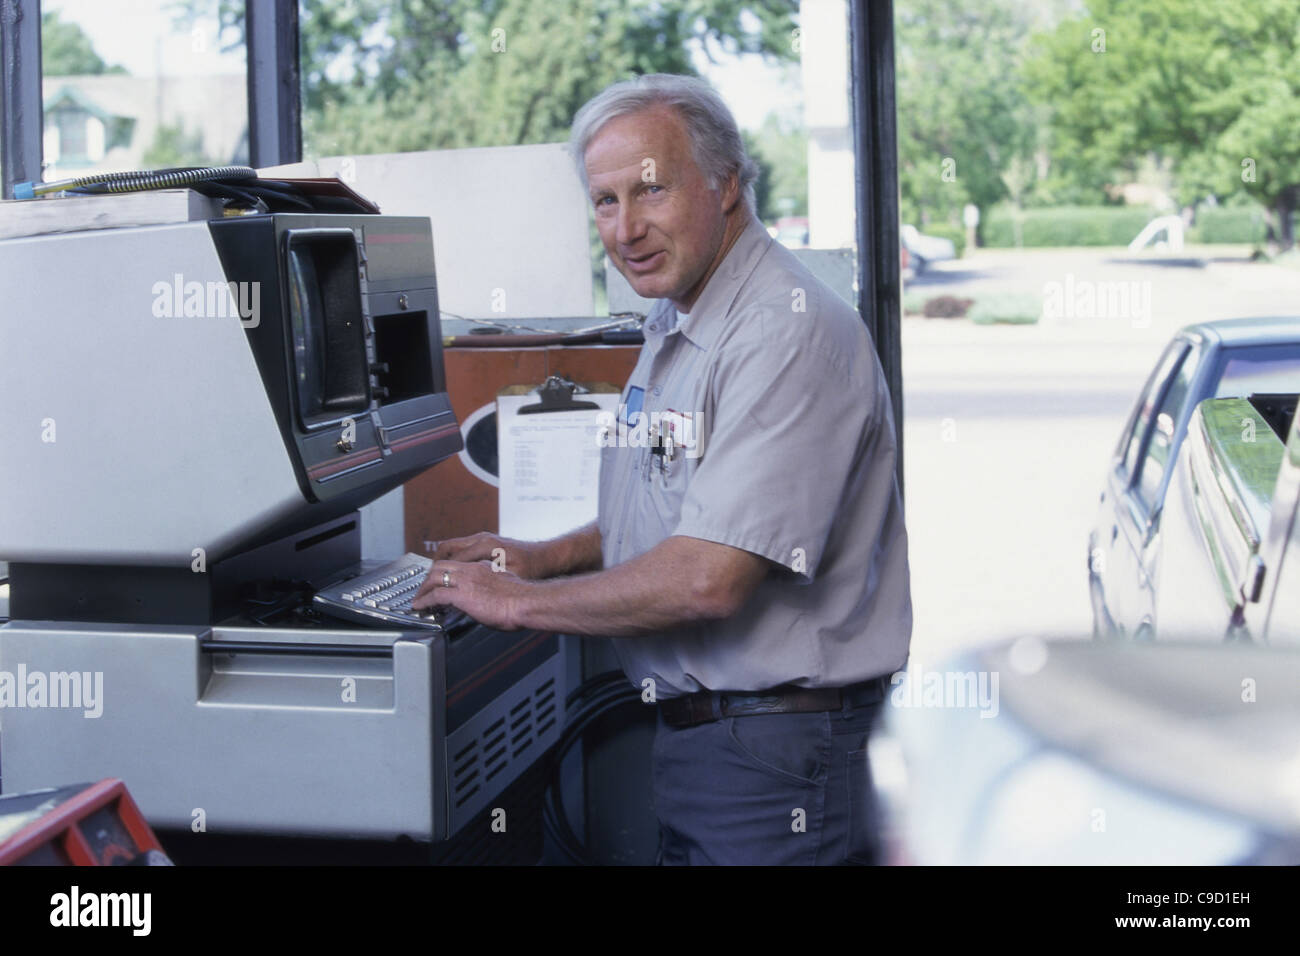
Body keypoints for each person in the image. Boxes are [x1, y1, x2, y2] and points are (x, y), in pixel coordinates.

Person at [413, 73, 912, 865]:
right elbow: (664, 511)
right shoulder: (683, 316)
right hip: (722, 744)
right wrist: (538, 560)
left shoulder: (781, 334)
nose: (625, 229)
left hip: (776, 753)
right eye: (605, 203)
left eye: (649, 192)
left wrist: (515, 604)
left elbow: (709, 575)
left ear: (725, 186)